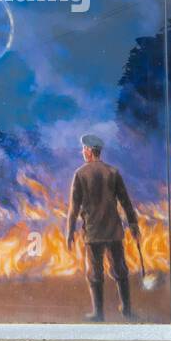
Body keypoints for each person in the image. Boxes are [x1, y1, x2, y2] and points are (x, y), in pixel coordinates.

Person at [65, 133, 141, 321]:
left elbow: (73, 208)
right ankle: (127, 309)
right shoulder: (113, 172)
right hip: (114, 231)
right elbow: (126, 203)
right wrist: (133, 226)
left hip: (93, 232)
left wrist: (70, 232)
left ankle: (98, 314)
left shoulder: (80, 174)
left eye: (84, 149)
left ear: (90, 151)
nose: (83, 151)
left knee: (94, 273)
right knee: (120, 270)